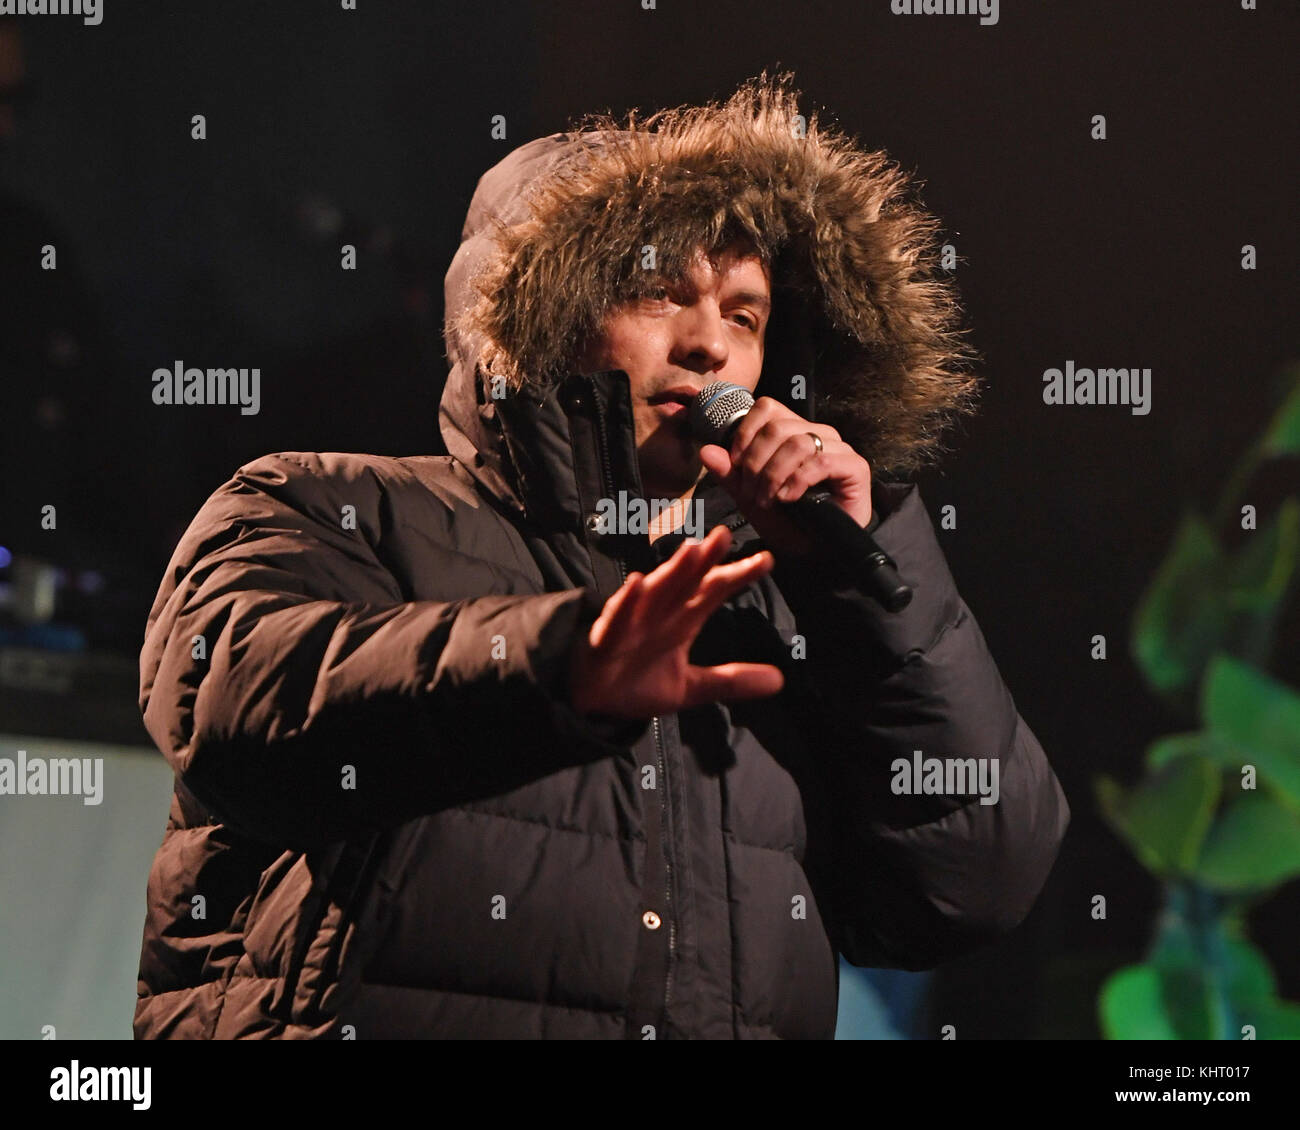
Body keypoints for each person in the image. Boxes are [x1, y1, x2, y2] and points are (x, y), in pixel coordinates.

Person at [133, 72, 1069, 1040]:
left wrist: (865, 592)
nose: (709, 344)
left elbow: (974, 883)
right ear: (548, 307)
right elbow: (235, 707)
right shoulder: (327, 507)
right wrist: (558, 666)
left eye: (744, 316)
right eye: (660, 293)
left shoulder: (792, 608)